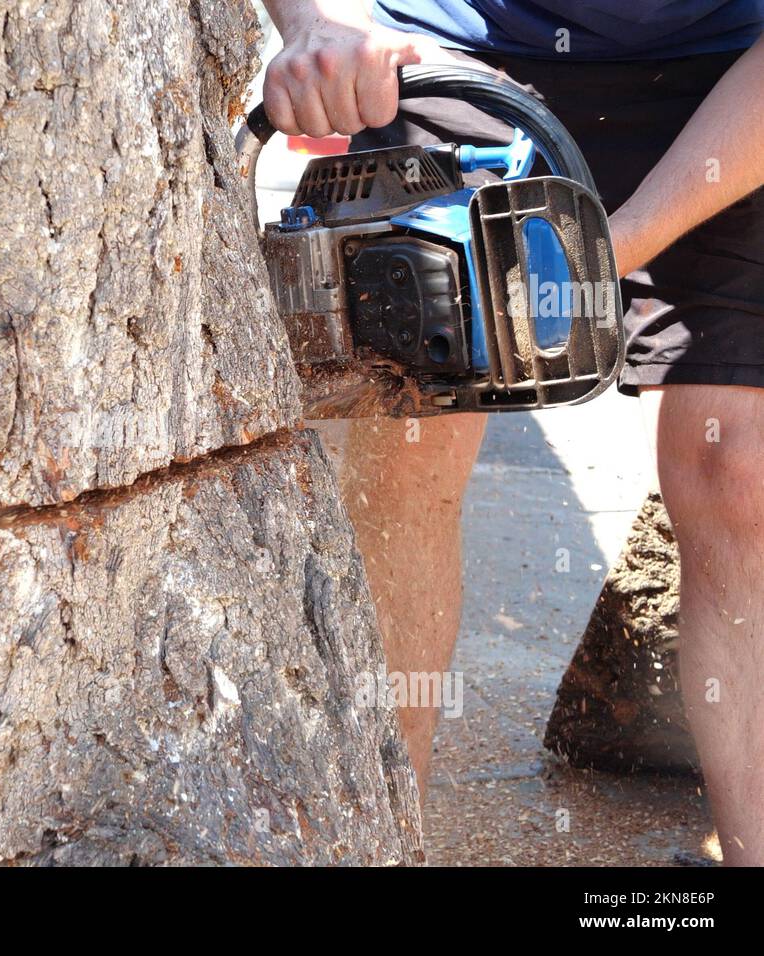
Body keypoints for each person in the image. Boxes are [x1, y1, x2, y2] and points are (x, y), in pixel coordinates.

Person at [259, 0, 764, 865]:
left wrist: (594, 256)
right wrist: (311, 24)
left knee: (742, 471)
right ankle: (383, 843)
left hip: (725, 77)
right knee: (409, 457)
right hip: (458, 56)